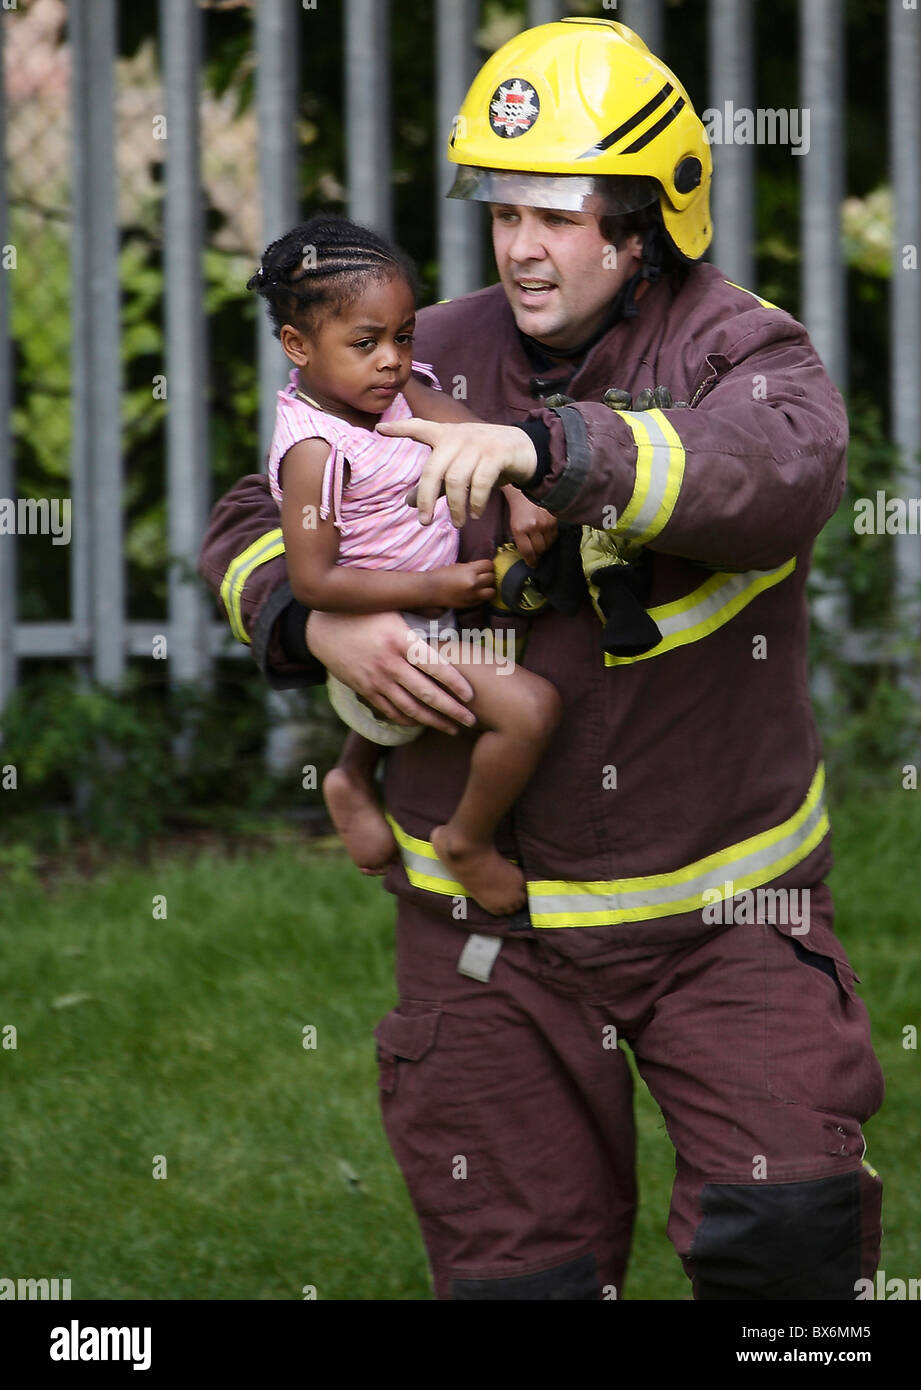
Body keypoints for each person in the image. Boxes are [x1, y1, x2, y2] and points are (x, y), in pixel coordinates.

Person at [199, 18, 884, 1300]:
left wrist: (548, 449)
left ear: (650, 218)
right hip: (480, 941)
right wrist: (312, 617)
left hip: (725, 921)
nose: (520, 246)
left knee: (791, 1244)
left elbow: (776, 473)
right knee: (522, 1279)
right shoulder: (426, 343)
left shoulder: (744, 351)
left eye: (560, 216)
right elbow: (255, 514)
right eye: (505, 210)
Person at [248, 214, 561, 915]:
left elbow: (471, 433)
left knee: (408, 717)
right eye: (366, 343)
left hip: (429, 611)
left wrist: (518, 493)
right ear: (297, 345)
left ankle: (351, 777)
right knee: (531, 712)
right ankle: (466, 840)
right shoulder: (317, 453)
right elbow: (313, 582)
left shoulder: (387, 391)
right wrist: (433, 584)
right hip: (387, 626)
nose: (392, 359)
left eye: (405, 336)